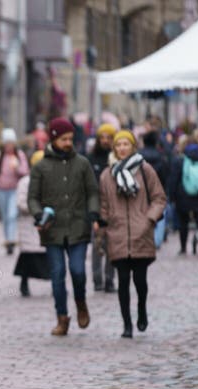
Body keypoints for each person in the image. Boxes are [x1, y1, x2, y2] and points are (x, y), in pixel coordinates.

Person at [28, 117, 99, 336]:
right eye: (64, 139)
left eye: (70, 139)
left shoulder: (82, 163)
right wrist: (39, 214)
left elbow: (92, 192)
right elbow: (33, 198)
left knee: (78, 271)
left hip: (78, 226)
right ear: (53, 139)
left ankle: (80, 302)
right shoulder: (41, 167)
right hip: (52, 229)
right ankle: (62, 317)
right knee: (57, 274)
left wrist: (93, 213)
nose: (68, 143)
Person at [98, 130, 166, 338]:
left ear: (133, 146)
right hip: (117, 233)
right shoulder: (107, 175)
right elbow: (103, 206)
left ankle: (142, 309)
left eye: (125, 144)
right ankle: (126, 324)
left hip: (141, 232)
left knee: (140, 280)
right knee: (123, 281)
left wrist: (149, 219)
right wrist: (103, 228)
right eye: (118, 145)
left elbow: (159, 198)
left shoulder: (145, 169)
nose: (122, 148)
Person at [0, 128, 29, 255]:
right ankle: (7, 239)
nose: (9, 145)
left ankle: (11, 239)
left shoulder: (19, 155)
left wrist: (17, 167)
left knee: (12, 215)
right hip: (1, 190)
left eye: (11, 143)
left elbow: (25, 172)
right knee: (5, 216)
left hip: (14, 190)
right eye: (7, 143)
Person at [13, 150, 49, 297]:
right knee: (28, 257)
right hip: (29, 224)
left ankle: (55, 282)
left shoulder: (51, 181)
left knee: (49, 256)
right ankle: (24, 282)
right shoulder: (25, 182)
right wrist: (37, 209)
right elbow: (21, 202)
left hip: (46, 224)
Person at [87, 122, 116, 292]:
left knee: (112, 245)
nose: (105, 140)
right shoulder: (91, 159)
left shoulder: (116, 159)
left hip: (114, 208)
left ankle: (110, 279)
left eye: (109, 137)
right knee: (97, 243)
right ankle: (97, 279)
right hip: (96, 207)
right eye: (102, 137)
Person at [170, 137, 198, 255]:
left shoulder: (179, 160)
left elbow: (174, 180)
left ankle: (183, 247)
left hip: (183, 194)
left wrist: (172, 196)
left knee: (183, 222)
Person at [139, 130, 171, 249]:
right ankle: (156, 241)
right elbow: (166, 175)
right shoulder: (161, 157)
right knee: (159, 216)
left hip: (141, 192)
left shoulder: (138, 157)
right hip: (158, 191)